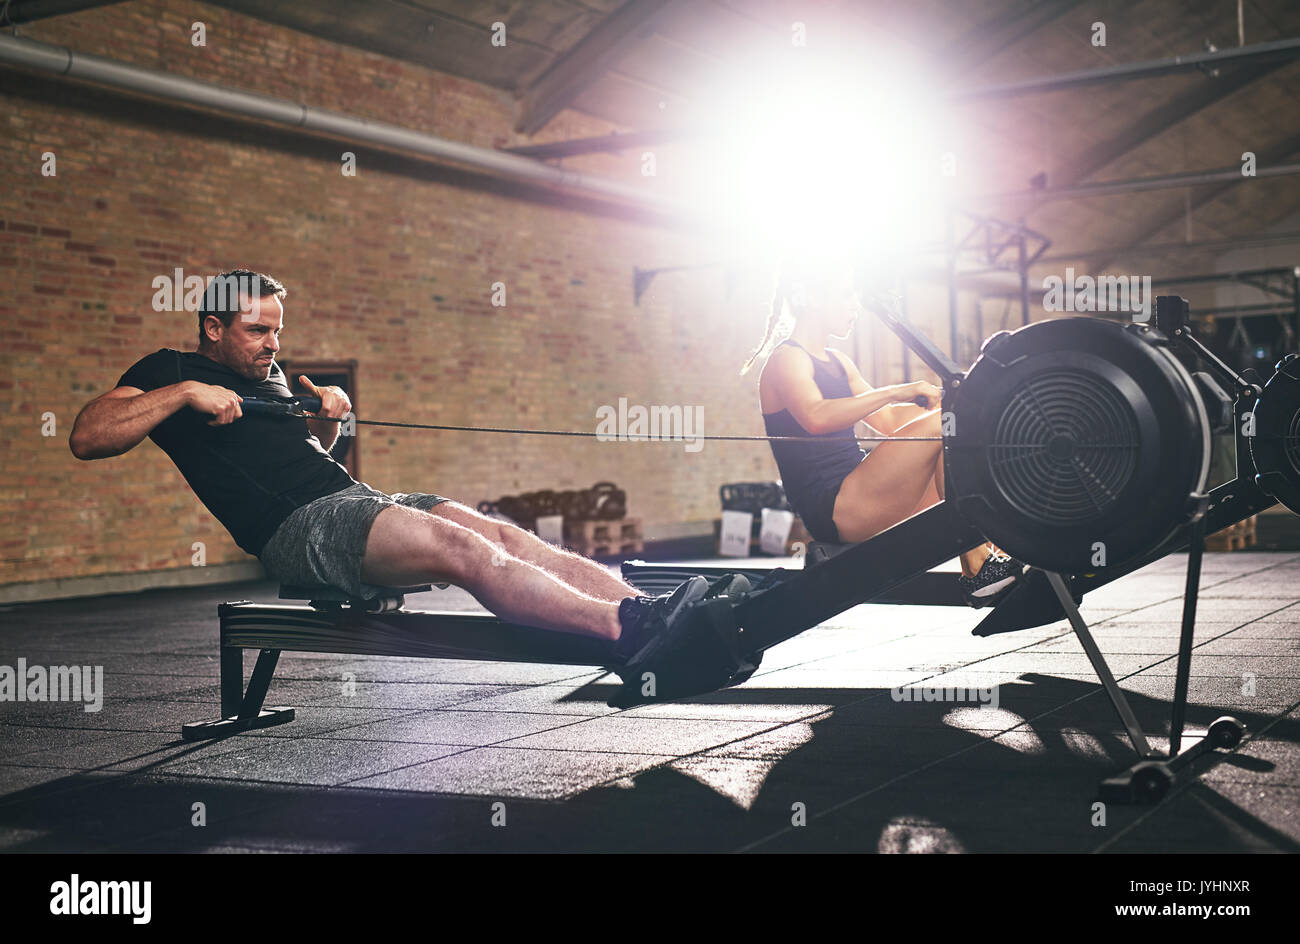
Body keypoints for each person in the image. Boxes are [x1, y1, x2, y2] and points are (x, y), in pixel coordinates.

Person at [69, 269, 709, 668]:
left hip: (350, 498)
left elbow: (312, 463)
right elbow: (88, 437)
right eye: (258, 331)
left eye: (278, 332)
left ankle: (647, 608)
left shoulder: (270, 384)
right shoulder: (169, 371)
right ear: (211, 328)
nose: (273, 346)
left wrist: (325, 420)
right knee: (463, 550)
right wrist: (181, 396)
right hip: (298, 530)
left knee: (502, 534)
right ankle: (629, 633)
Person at [742, 263, 1023, 606]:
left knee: (954, 428)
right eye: (847, 295)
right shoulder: (787, 359)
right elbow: (816, 417)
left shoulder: (839, 362)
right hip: (836, 508)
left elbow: (889, 420)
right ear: (814, 298)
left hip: (864, 495)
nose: (855, 306)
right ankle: (978, 570)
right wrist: (896, 391)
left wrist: (948, 403)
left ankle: (1001, 556)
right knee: (947, 424)